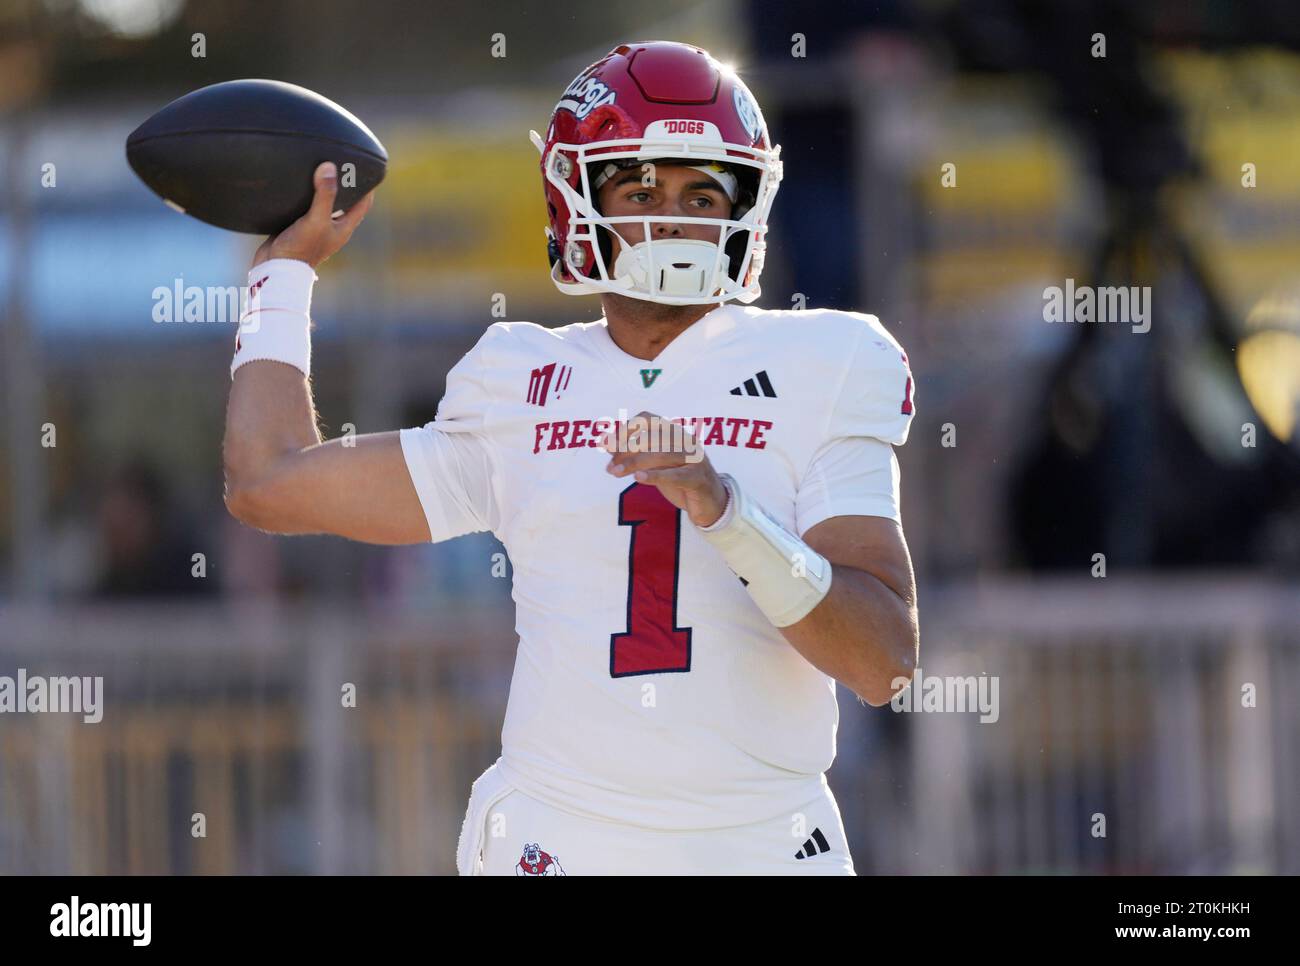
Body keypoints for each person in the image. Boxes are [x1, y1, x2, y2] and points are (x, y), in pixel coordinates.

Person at [222, 40, 918, 875]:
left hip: (763, 844)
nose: (672, 216)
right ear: (575, 197)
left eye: (702, 191)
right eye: (640, 187)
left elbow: (883, 664)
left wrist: (732, 517)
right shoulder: (518, 379)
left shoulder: (827, 361)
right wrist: (282, 277)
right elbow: (268, 483)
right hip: (561, 839)